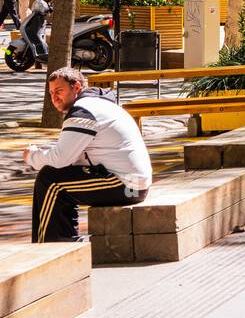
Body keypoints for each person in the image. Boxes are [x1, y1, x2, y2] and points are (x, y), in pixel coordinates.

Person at [24, 67, 152, 244]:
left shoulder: (83, 112)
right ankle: (65, 240)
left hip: (126, 186)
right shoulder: (98, 104)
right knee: (59, 177)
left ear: (76, 87)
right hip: (133, 183)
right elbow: (69, 154)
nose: (54, 98)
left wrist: (32, 156)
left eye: (59, 91)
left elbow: (60, 159)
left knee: (50, 180)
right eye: (51, 93)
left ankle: (52, 246)